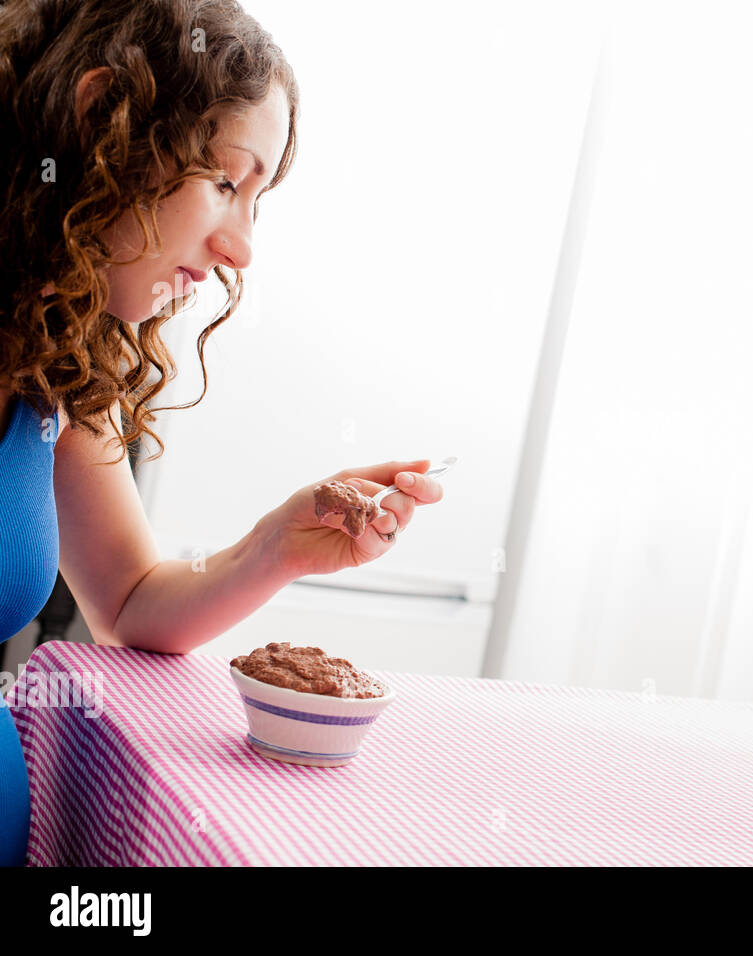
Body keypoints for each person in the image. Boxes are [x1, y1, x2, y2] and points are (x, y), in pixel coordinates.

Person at [0, 0, 444, 867]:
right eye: (226, 183)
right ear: (100, 122)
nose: (240, 248)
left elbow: (128, 602)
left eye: (258, 199)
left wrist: (278, 546)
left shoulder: (57, 363)